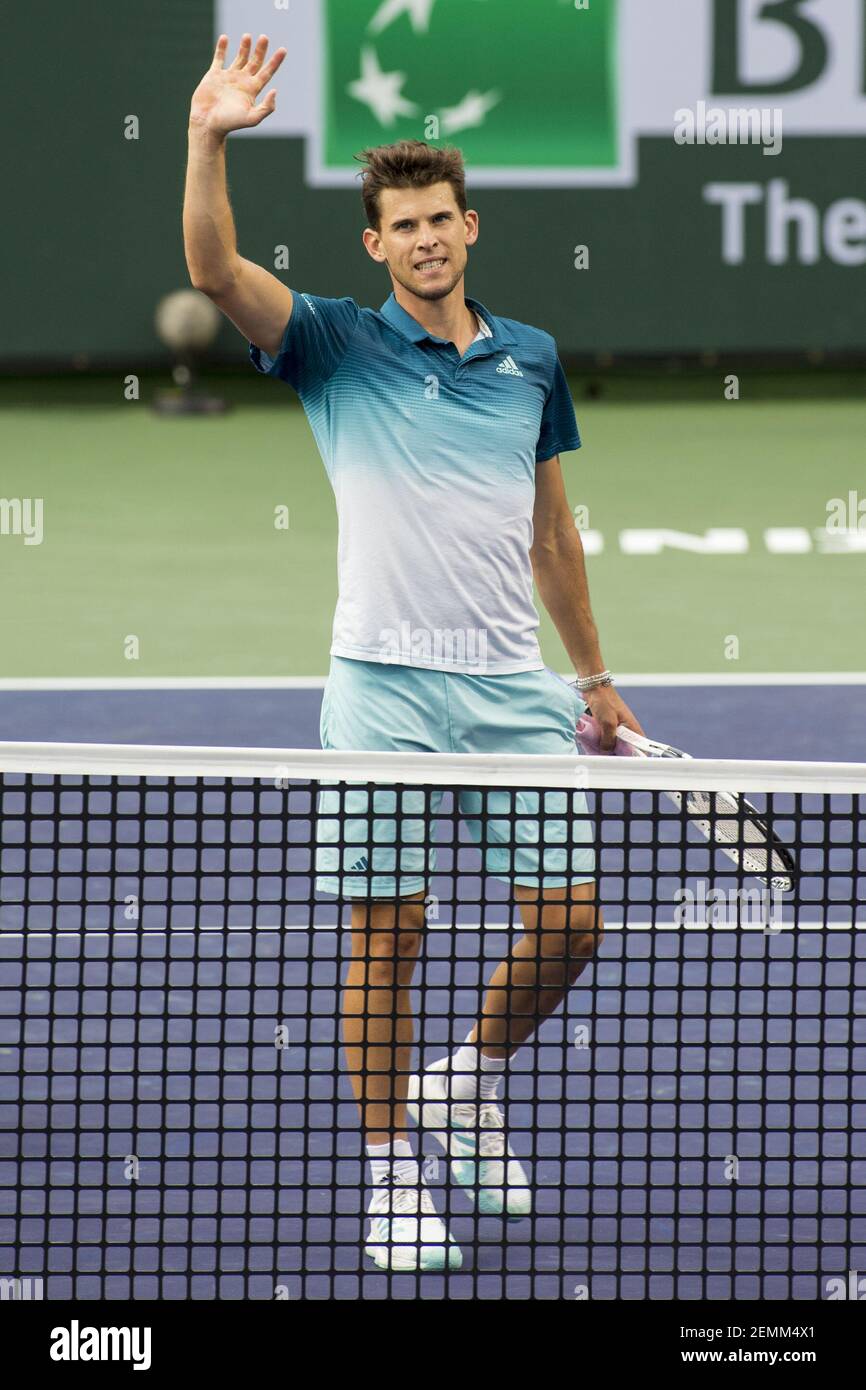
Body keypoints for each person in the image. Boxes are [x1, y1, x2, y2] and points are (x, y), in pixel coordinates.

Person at [184, 33, 644, 1273]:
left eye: (444, 217)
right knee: (387, 936)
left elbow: (551, 531)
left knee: (573, 921)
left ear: (469, 227)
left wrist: (591, 678)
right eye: (405, 224)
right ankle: (391, 1176)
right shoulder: (332, 343)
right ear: (376, 245)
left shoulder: (530, 358)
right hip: (380, 685)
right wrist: (207, 136)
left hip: (508, 688)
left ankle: (466, 1079)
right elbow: (215, 267)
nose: (428, 237)